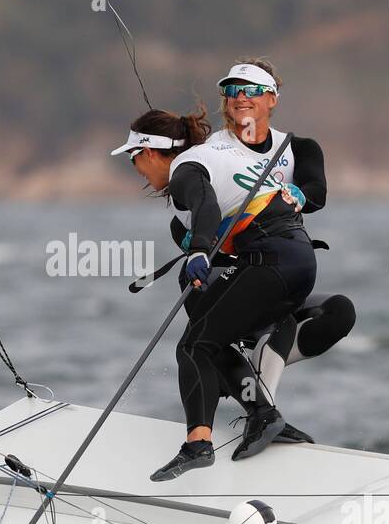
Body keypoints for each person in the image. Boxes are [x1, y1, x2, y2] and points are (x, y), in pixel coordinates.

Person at [113, 106, 317, 481]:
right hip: (295, 260)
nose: (138, 171)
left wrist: (199, 251)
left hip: (272, 261)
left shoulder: (184, 171)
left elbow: (206, 205)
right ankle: (264, 415)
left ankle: (198, 445)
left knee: (193, 347)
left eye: (134, 160)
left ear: (150, 152)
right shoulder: (207, 160)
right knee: (210, 339)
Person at [187, 58, 355, 444]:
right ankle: (256, 413)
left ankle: (260, 397)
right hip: (232, 269)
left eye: (250, 90)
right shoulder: (214, 150)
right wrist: (193, 243)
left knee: (339, 312)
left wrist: (299, 194)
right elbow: (194, 207)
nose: (239, 98)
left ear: (272, 98)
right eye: (232, 91)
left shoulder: (299, 148)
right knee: (264, 322)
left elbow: (318, 193)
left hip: (279, 267)